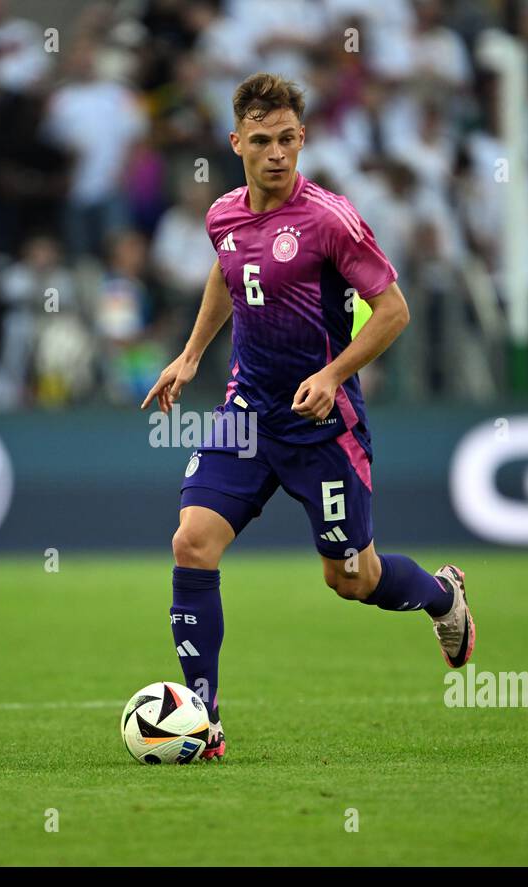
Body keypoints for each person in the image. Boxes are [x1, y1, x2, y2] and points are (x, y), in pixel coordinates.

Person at [140, 73, 476, 761]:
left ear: (303, 139)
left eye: (287, 139)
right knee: (191, 543)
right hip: (247, 413)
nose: (275, 153)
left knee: (351, 579)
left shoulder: (330, 219)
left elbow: (394, 311)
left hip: (322, 424)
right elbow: (228, 273)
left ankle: (442, 597)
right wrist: (191, 354)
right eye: (260, 140)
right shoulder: (223, 216)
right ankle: (203, 722)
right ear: (236, 142)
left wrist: (332, 375)